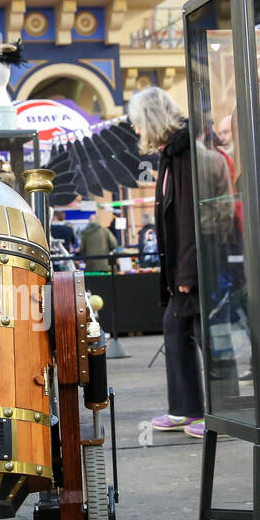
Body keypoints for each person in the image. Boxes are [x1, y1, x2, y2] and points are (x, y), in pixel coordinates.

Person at [130, 86, 230, 440]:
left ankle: (218, 411)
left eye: (139, 123)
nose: (137, 130)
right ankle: (188, 408)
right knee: (181, 330)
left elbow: (190, 217)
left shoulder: (185, 155)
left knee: (202, 333)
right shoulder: (175, 154)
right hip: (190, 264)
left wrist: (186, 272)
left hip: (197, 264)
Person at [77, 202, 118, 273]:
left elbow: (82, 249)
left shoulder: (84, 233)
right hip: (105, 265)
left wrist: (86, 259)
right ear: (97, 221)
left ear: (89, 222)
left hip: (91, 266)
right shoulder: (105, 231)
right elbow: (113, 244)